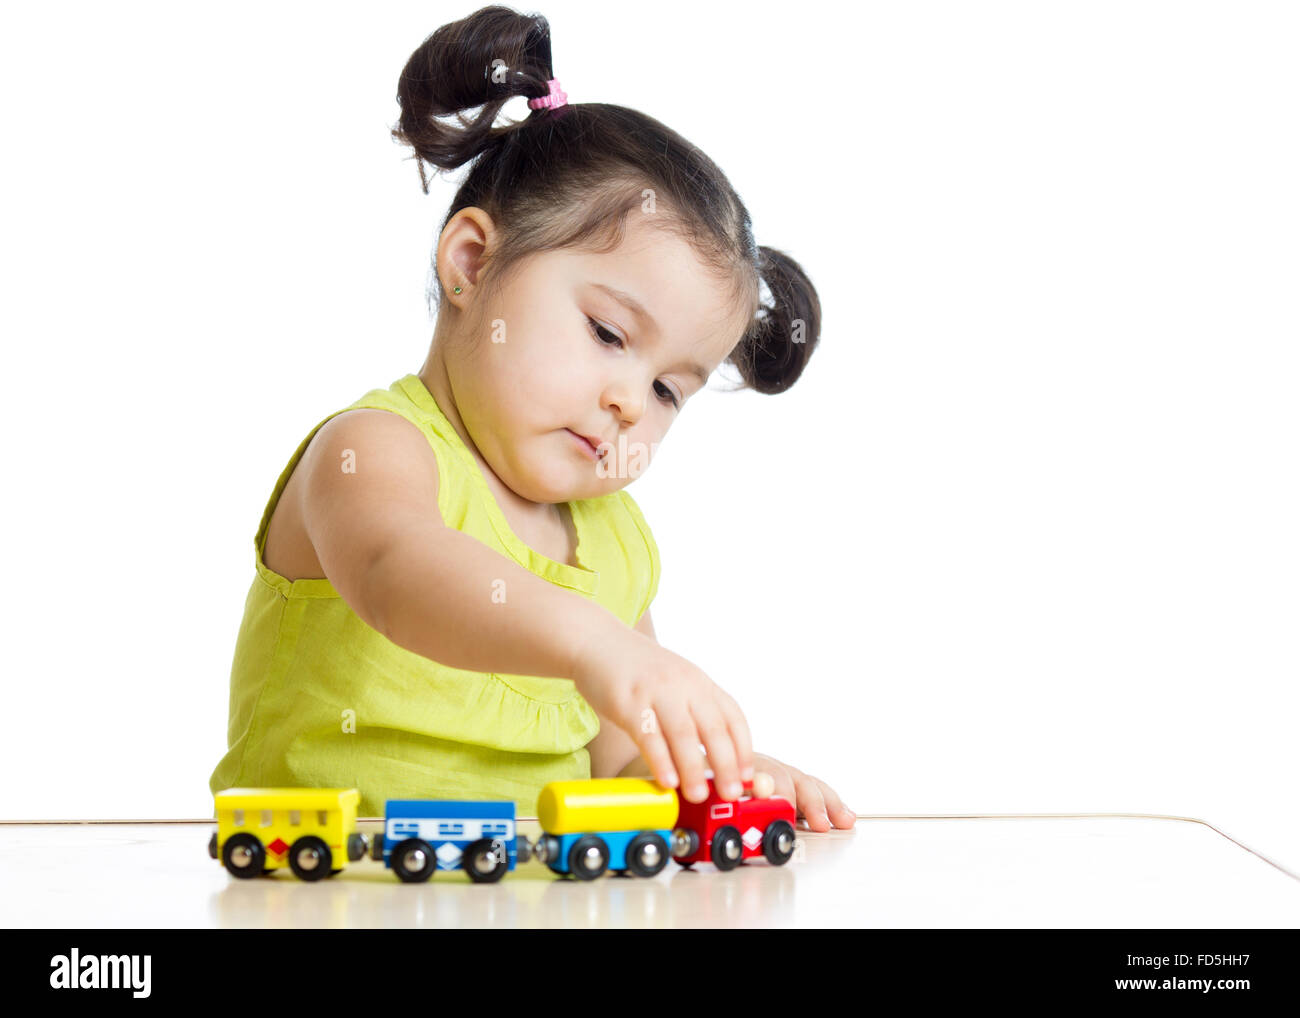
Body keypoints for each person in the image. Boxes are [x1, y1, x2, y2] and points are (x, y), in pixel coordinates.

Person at [209, 5, 855, 833]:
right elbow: (395, 574)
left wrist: (709, 773)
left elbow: (619, 758)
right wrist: (593, 644)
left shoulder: (615, 548)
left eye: (668, 391)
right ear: (471, 263)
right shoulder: (372, 453)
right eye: (609, 334)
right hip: (327, 887)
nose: (630, 399)